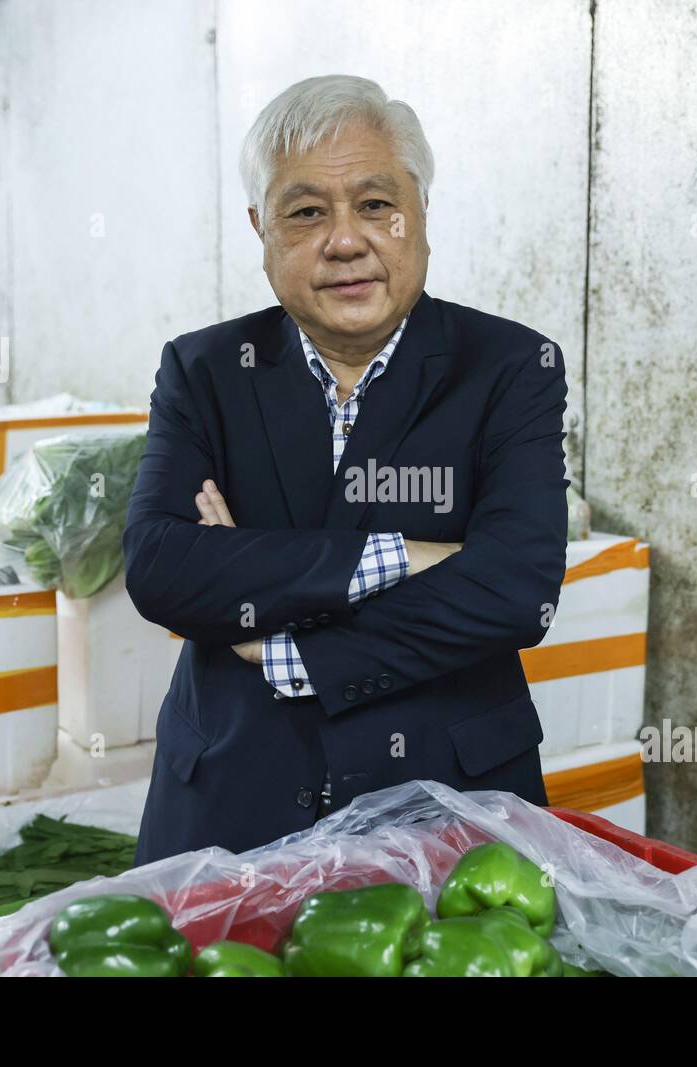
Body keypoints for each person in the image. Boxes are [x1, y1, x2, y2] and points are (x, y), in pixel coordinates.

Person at [126, 74, 568, 862]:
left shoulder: (509, 367)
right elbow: (162, 567)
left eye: (375, 204)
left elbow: (514, 592)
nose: (345, 240)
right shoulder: (205, 370)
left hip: (448, 805)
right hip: (231, 797)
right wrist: (405, 555)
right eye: (306, 212)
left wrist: (281, 646)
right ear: (261, 226)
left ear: (420, 211)